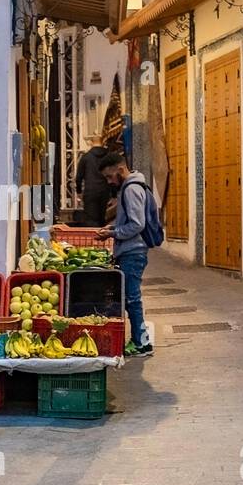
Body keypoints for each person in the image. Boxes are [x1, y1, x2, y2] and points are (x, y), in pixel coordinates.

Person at [96, 152, 162, 356]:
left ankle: (141, 343)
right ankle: (139, 340)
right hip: (131, 249)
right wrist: (111, 227)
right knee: (130, 297)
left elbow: (136, 224)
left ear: (120, 169)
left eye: (110, 176)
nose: (109, 181)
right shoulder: (129, 187)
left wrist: (113, 233)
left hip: (133, 251)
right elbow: (129, 220)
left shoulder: (132, 189)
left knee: (132, 298)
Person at [76, 134, 111, 227]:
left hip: (90, 191)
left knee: (90, 219)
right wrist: (114, 193)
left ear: (91, 142)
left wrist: (78, 191)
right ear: (102, 142)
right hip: (104, 190)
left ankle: (92, 239)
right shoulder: (108, 156)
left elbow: (79, 176)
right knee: (102, 217)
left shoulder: (86, 157)